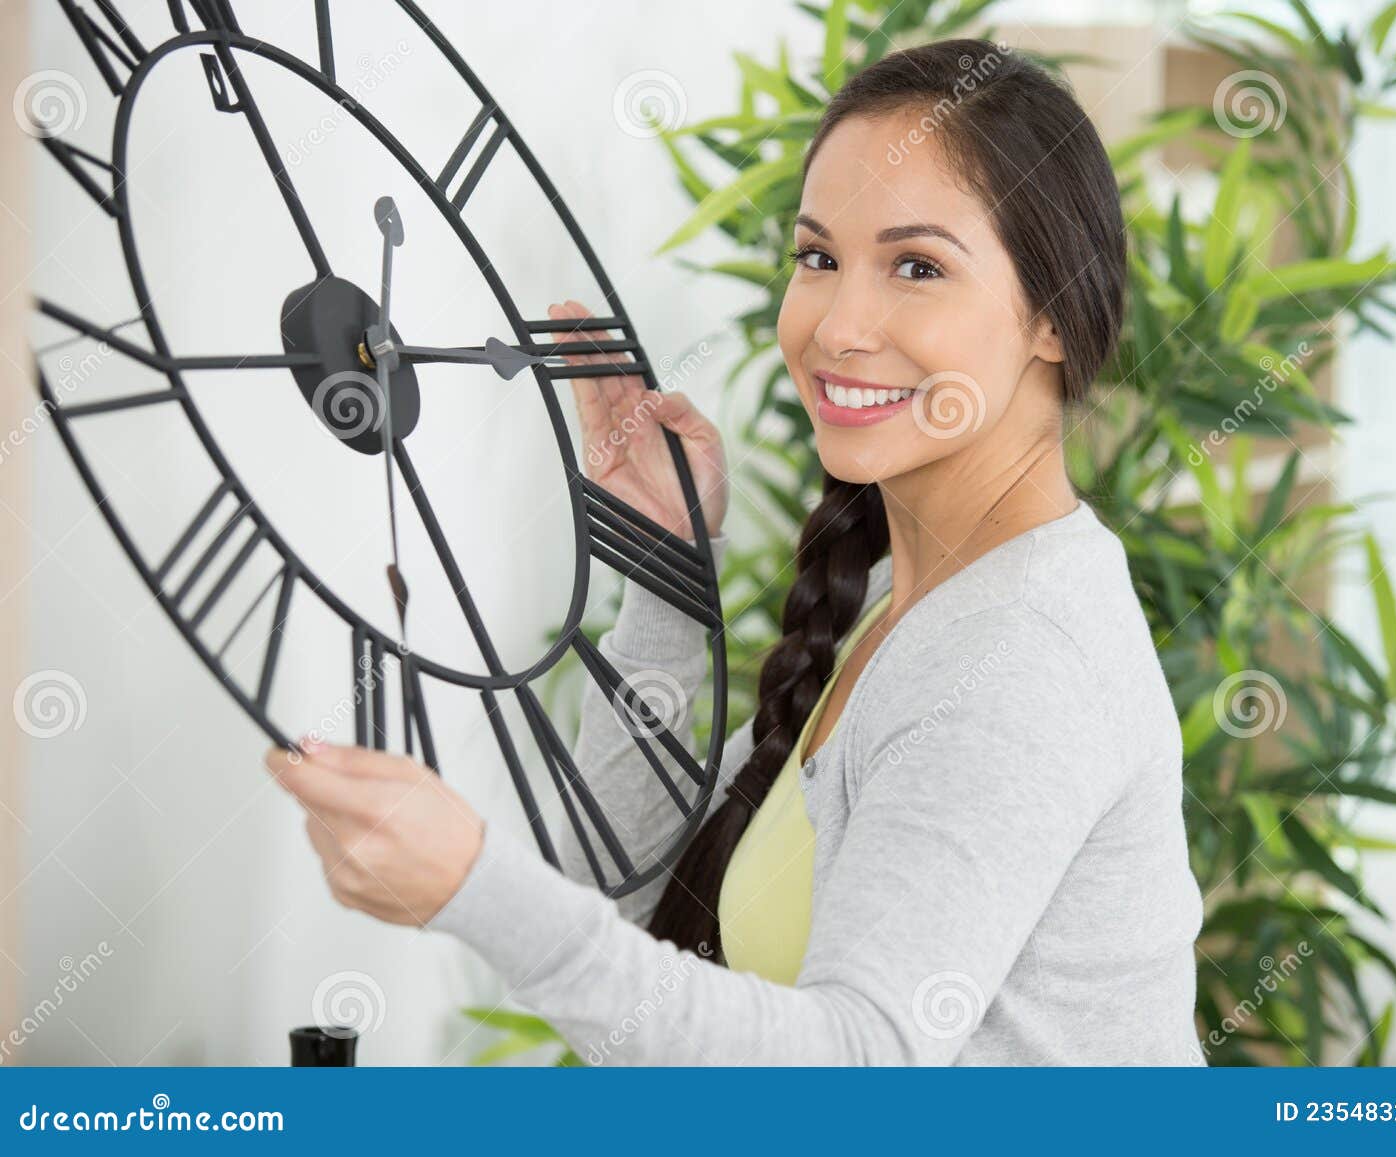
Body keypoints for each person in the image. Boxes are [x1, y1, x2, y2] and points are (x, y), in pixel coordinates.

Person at [266, 38, 1205, 1065]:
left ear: (1054, 314)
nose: (838, 326)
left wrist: (475, 886)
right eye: (818, 258)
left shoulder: (1017, 656)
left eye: (918, 266)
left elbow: (854, 1068)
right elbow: (629, 902)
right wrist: (666, 573)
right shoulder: (906, 603)